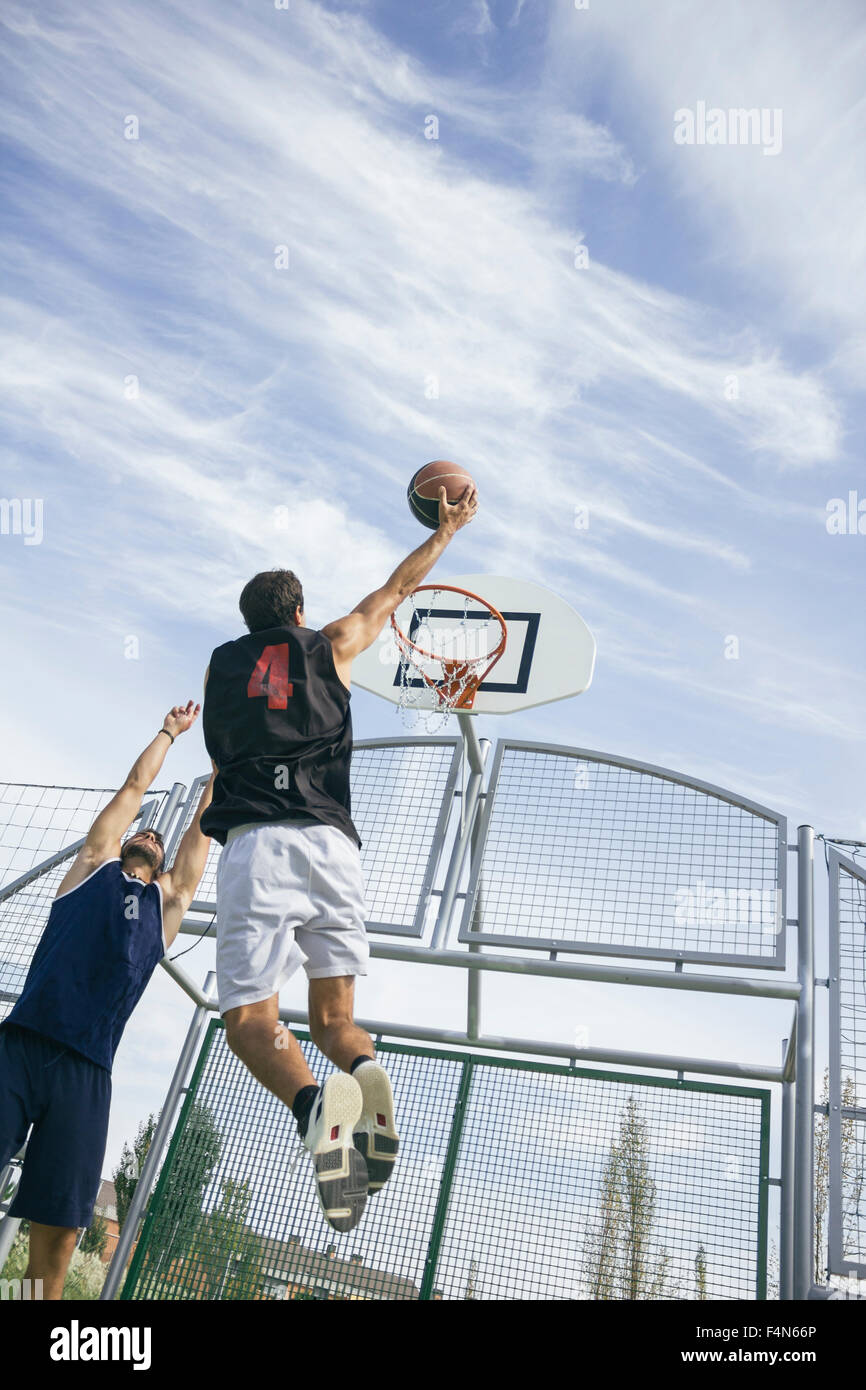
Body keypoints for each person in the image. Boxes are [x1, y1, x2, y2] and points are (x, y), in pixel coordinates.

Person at [201, 483, 478, 1232]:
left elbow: (220, 763)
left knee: (252, 1022)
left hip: (258, 843)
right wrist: (446, 531)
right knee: (334, 1020)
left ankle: (315, 1106)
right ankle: (362, 1070)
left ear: (249, 622)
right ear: (297, 614)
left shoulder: (220, 672)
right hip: (334, 846)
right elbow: (397, 588)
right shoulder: (331, 642)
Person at [0, 703, 215, 1299]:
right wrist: (170, 733)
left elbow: (204, 826)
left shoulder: (166, 906)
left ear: (164, 863)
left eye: (158, 838)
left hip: (86, 1073)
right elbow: (135, 786)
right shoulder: (92, 867)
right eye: (141, 831)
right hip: (18, 1048)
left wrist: (222, 762)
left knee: (59, 1234)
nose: (149, 833)